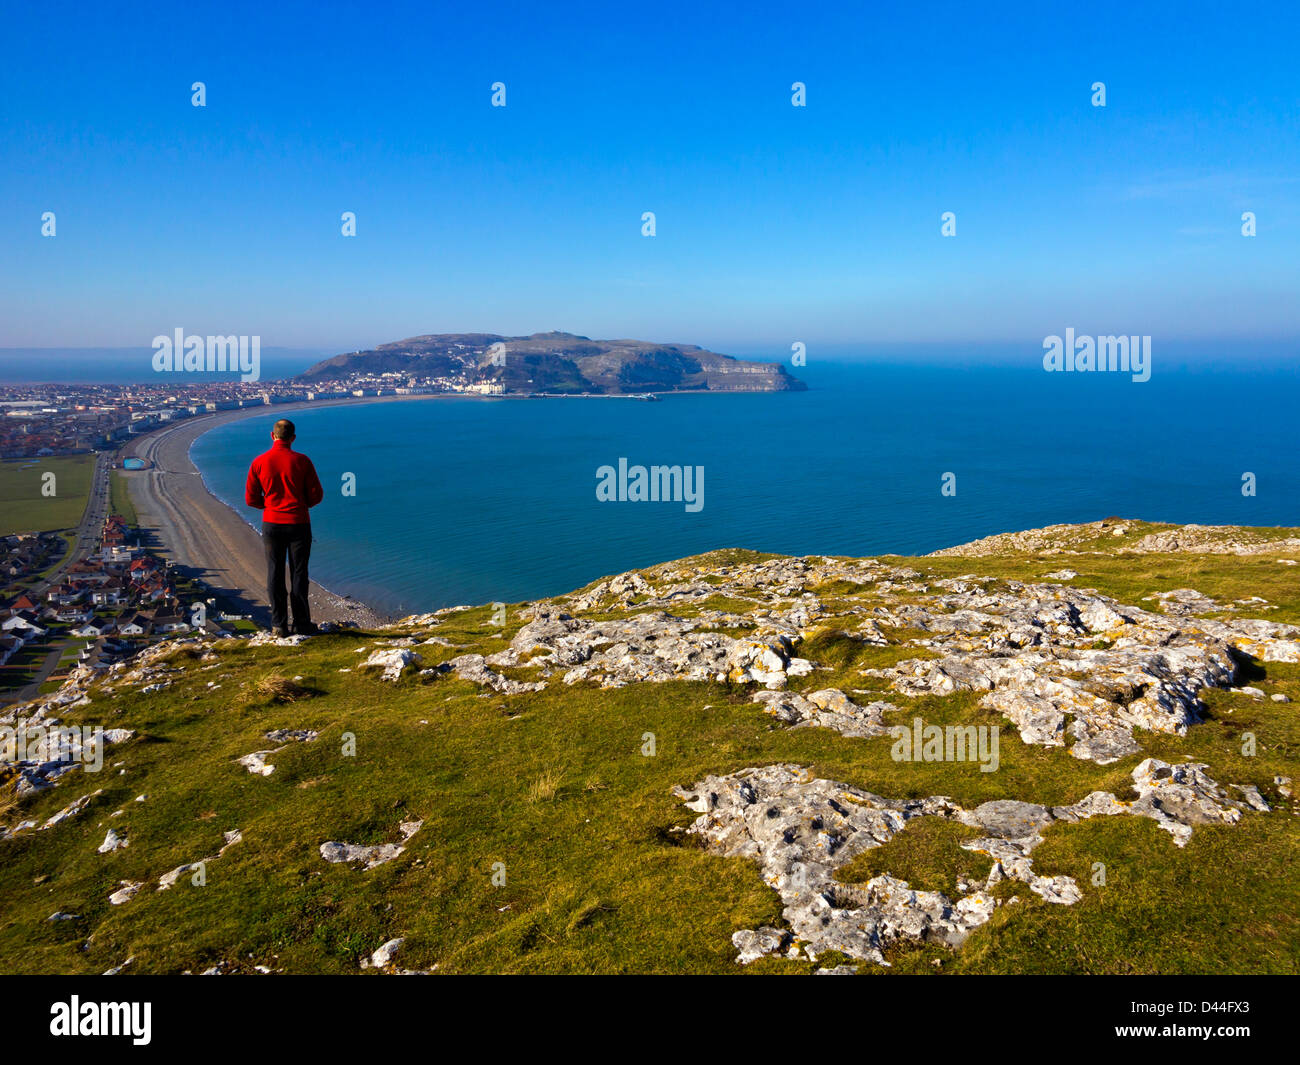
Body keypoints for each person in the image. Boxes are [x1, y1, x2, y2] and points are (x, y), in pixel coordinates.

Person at [244, 419, 324, 636]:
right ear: (293, 438)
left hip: (272, 524)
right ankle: (301, 623)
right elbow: (317, 495)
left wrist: (269, 505)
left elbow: (250, 499)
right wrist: (300, 504)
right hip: (299, 523)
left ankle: (278, 624)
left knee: (275, 572)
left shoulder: (259, 462)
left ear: (273, 436)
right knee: (299, 573)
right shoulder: (302, 461)